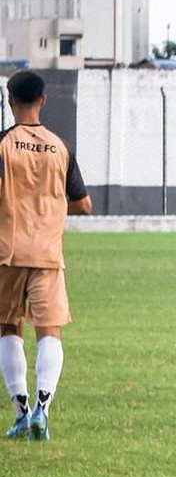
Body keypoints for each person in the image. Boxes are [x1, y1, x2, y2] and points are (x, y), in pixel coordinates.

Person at [0, 69, 93, 441]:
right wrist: (51, 210)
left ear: (9, 101)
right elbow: (83, 205)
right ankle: (43, 408)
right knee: (49, 329)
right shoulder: (60, 146)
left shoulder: (3, 144)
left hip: (7, 250)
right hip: (48, 252)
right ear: (43, 100)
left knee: (8, 326)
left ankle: (21, 410)